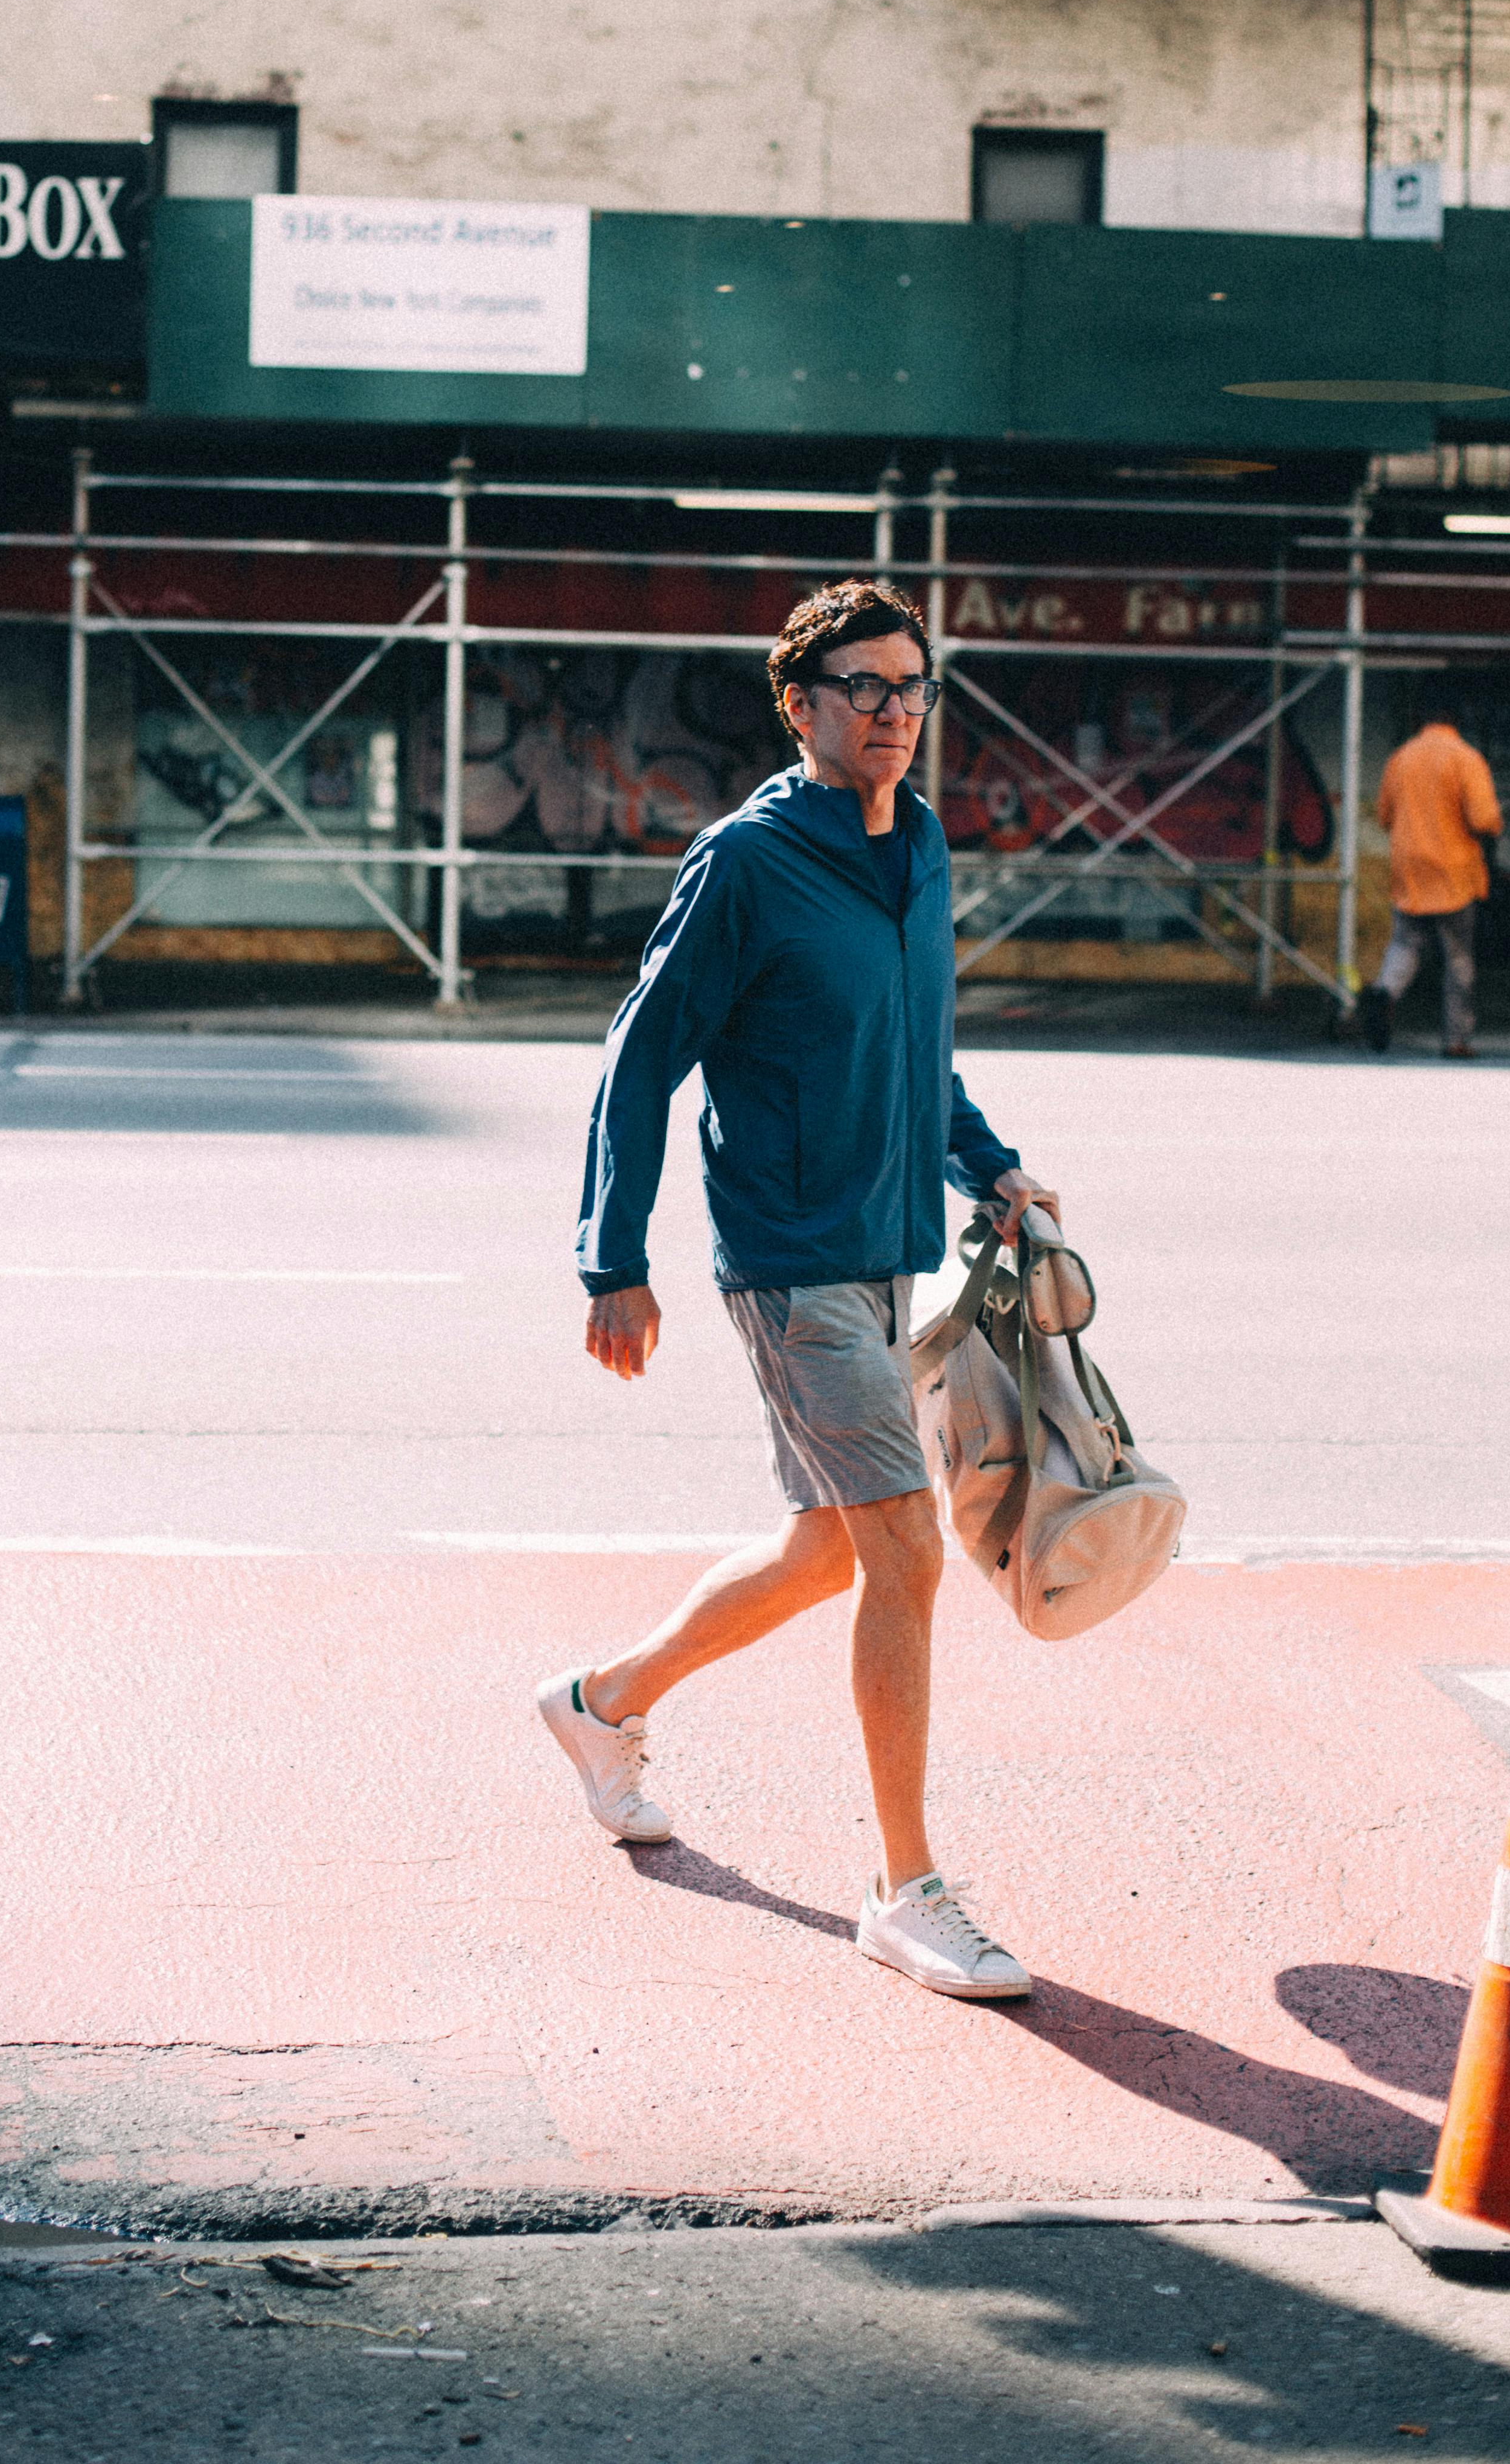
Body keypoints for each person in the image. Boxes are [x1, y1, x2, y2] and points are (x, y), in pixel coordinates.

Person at [537, 579, 1058, 2004]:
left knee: (827, 1550)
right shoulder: (748, 861)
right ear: (801, 703)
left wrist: (988, 1167)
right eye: (863, 686)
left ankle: (601, 1703)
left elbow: (914, 1045)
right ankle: (907, 1888)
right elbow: (640, 1056)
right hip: (791, 1264)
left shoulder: (925, 846)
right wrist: (614, 1257)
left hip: (889, 1251)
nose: (893, 710)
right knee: (905, 1551)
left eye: (912, 686)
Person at [1363, 700, 1502, 1060]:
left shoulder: (1401, 758)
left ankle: (1385, 992)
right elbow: (1483, 818)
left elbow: (1383, 816)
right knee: (1458, 959)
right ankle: (1456, 1039)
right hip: (1453, 873)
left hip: (1409, 871)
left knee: (1405, 944)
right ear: (1454, 723)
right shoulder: (1466, 757)